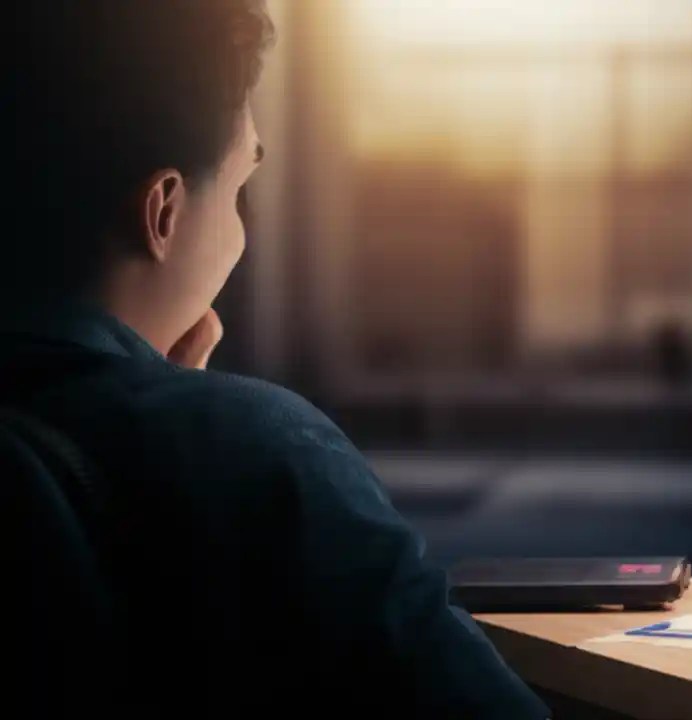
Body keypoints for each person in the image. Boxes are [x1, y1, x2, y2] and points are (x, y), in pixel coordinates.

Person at [5, 2, 548, 717]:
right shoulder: (258, 450)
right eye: (237, 191)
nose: (240, 232)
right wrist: (188, 427)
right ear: (163, 212)